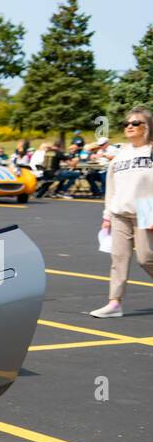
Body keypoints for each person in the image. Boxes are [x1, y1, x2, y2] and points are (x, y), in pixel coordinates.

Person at [90, 107, 153, 318]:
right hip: (119, 212)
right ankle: (114, 303)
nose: (129, 127)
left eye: (135, 123)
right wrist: (107, 215)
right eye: (126, 124)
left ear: (147, 127)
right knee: (118, 259)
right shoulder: (120, 155)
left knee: (145, 258)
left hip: (147, 209)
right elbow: (112, 187)